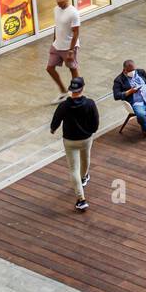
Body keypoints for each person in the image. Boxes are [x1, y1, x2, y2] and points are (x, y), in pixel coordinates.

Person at [50, 77, 99, 212]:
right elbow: (95, 123)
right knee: (86, 158)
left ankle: (81, 199)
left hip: (70, 140)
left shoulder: (64, 106)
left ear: (71, 90)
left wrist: (53, 129)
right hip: (86, 138)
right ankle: (84, 177)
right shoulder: (90, 104)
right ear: (82, 88)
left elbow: (56, 121)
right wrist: (91, 131)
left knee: (73, 169)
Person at [46, 0, 81, 102]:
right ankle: (63, 91)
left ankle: (77, 92)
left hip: (68, 47)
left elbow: (76, 32)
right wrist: (54, 41)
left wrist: (71, 50)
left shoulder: (73, 13)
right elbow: (57, 26)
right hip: (57, 45)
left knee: (72, 68)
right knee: (50, 68)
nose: (58, 1)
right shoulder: (56, 10)